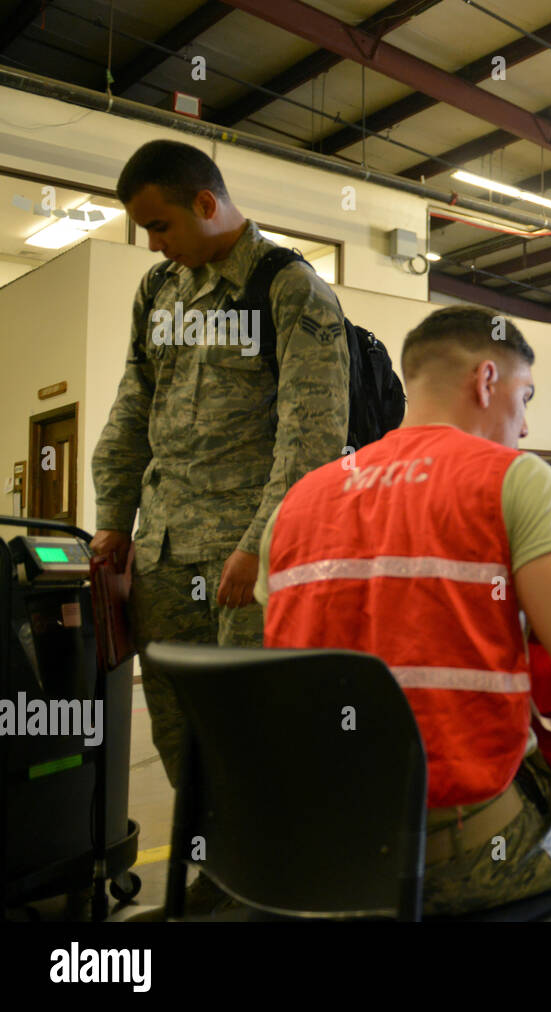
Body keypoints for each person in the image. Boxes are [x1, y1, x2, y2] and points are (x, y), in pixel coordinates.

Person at [256, 306, 551, 919]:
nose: (524, 425)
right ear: (486, 381)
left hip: (314, 844)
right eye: (525, 397)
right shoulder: (512, 480)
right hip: (454, 849)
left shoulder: (300, 500)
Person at [91, 140, 350, 912]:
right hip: (166, 553)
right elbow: (133, 406)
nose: (153, 242)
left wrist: (257, 546)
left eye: (160, 223)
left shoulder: (291, 289)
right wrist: (113, 523)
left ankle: (280, 883)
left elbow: (310, 439)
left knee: (257, 733)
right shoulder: (158, 290)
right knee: (181, 736)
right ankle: (220, 872)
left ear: (207, 203)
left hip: (250, 563)